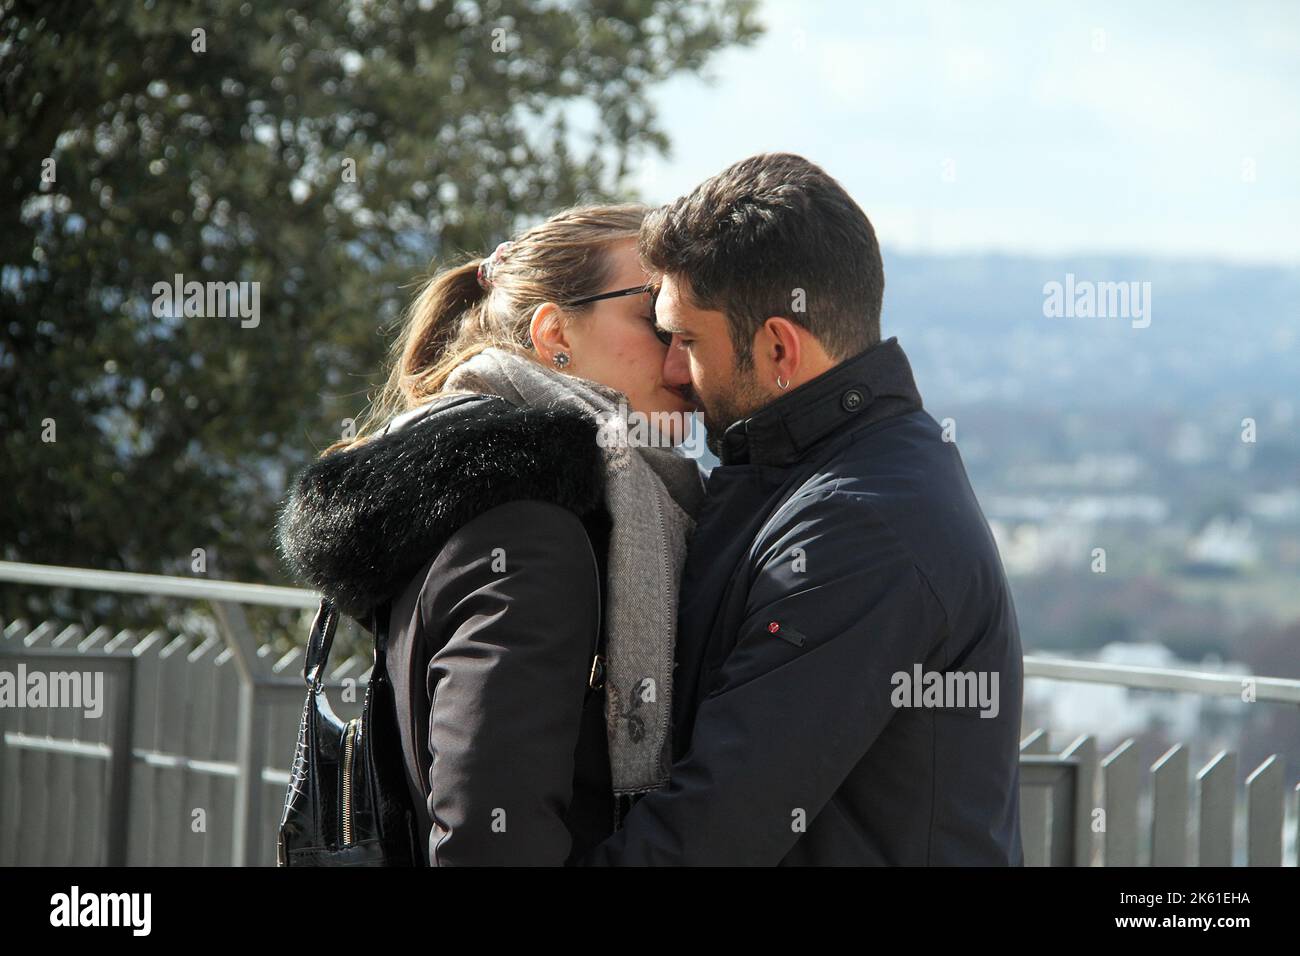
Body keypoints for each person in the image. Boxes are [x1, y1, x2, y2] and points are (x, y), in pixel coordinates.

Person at [579, 153, 1025, 865]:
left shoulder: (859, 529)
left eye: (687, 341)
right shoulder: (822, 478)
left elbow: (712, 832)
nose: (671, 371)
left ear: (779, 346)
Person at [276, 204, 704, 865]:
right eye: (657, 321)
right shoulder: (533, 531)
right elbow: (490, 839)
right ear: (554, 330)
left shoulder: (494, 501)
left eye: (689, 324)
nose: (683, 360)